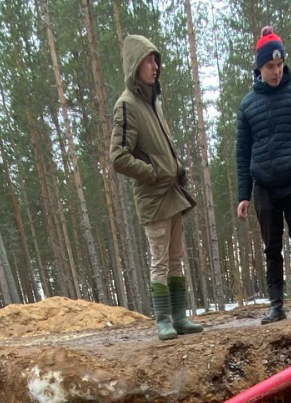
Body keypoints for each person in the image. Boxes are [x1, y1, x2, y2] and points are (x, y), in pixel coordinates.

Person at [110, 35, 203, 343]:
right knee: (159, 260)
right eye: (149, 60)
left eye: (156, 60)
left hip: (171, 191)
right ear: (135, 65)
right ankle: (163, 319)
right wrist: (152, 173)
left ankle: (179, 316)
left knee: (176, 257)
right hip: (153, 196)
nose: (155, 66)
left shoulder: (153, 102)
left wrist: (175, 168)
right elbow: (118, 156)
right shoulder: (127, 106)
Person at [236, 26, 291, 324]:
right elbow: (242, 152)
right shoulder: (247, 105)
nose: (276, 71)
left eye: (280, 64)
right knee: (272, 248)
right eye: (270, 66)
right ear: (259, 68)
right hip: (264, 188)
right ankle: (276, 305)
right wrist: (243, 196)